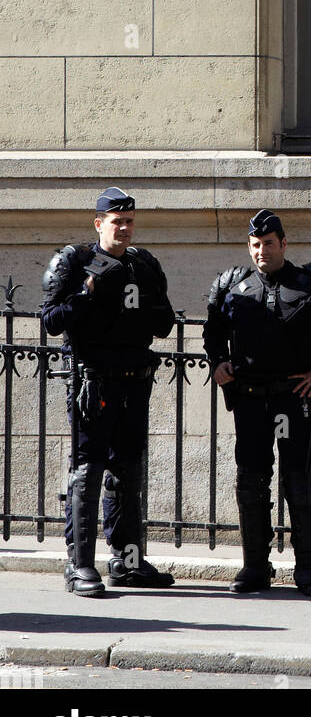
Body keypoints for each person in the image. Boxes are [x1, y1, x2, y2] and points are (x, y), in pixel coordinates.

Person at [204, 210, 311, 597]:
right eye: (255, 245)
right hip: (251, 398)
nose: (261, 251)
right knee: (251, 481)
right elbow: (213, 331)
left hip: (296, 398)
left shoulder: (310, 283)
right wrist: (219, 362)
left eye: (269, 244)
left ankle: (308, 569)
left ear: (283, 243)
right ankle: (255, 566)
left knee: (300, 481)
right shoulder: (233, 287)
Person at [41, 187, 176, 597]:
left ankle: (127, 561)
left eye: (130, 221)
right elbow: (51, 320)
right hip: (92, 382)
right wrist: (87, 293)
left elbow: (165, 324)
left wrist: (150, 305)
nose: (125, 228)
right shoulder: (75, 260)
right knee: (88, 470)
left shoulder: (144, 265)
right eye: (117, 222)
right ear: (99, 223)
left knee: (128, 472)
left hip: (134, 380)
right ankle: (79, 565)